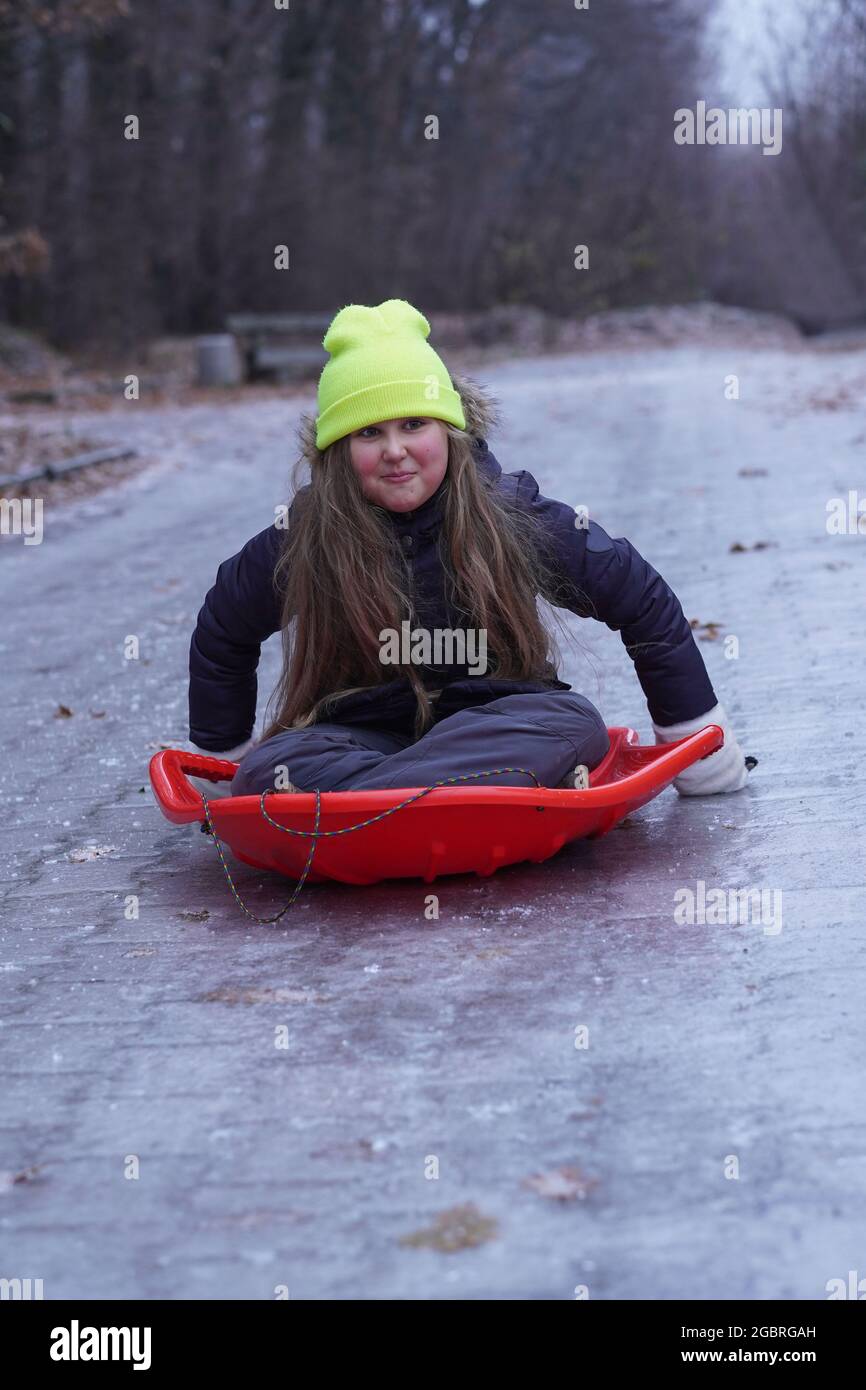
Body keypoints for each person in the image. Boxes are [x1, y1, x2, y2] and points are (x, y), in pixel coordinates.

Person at [187, 298, 751, 798]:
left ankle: (372, 806)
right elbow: (223, 627)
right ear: (338, 452)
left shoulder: (510, 514)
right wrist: (227, 758)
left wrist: (690, 732)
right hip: (360, 734)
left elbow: (639, 596)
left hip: (499, 721)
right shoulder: (307, 535)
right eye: (368, 433)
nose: (395, 451)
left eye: (413, 425)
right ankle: (445, 795)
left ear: (450, 432)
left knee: (571, 726)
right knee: (273, 768)